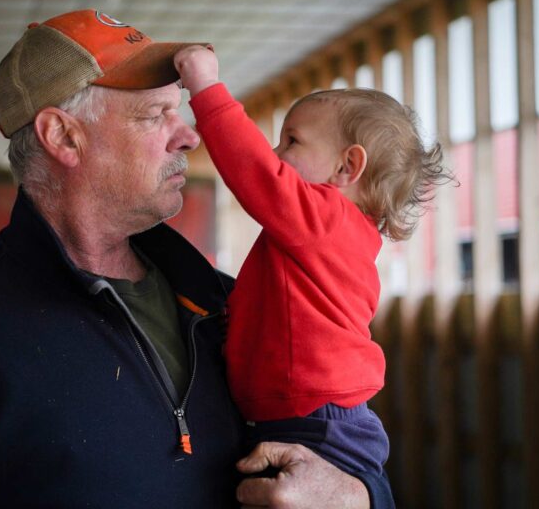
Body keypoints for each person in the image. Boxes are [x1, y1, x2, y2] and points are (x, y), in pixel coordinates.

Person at [0, 10, 394, 508]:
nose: (189, 137)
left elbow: (353, 465)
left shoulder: (225, 305)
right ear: (64, 136)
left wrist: (360, 496)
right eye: (156, 115)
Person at [174, 45, 452, 482]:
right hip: (307, 414)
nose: (274, 151)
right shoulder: (329, 235)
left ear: (347, 166)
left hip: (314, 420)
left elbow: (254, 170)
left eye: (292, 141)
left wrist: (205, 87)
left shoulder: (328, 219)